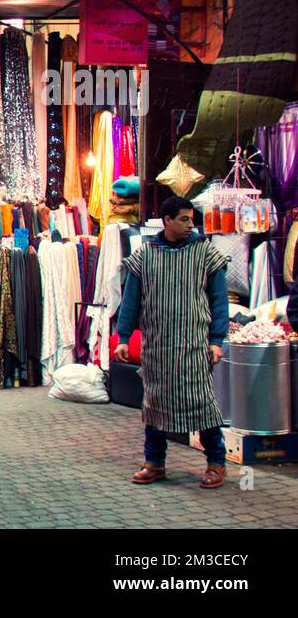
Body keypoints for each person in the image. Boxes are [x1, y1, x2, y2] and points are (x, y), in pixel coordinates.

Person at [115, 196, 230, 489]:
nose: (191, 224)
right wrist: (124, 338)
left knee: (202, 403)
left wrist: (217, 340)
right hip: (159, 349)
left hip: (194, 346)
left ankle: (216, 462)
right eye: (184, 219)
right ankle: (155, 463)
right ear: (166, 220)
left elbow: (219, 302)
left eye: (192, 219)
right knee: (154, 405)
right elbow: (130, 302)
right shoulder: (145, 255)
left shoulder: (205, 253)